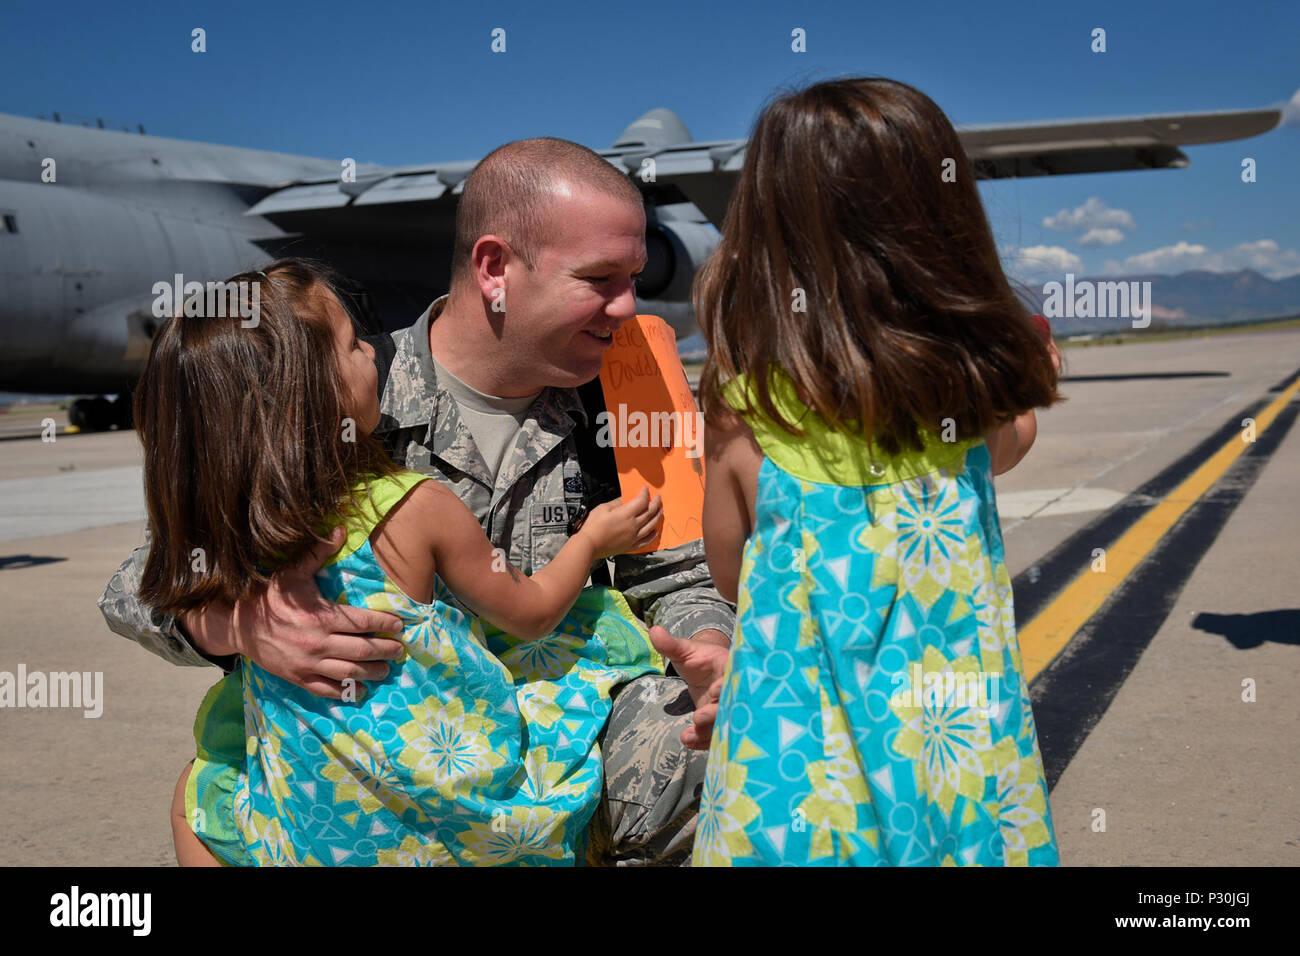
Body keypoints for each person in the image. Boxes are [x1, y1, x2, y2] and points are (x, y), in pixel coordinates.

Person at [100, 138, 736, 865]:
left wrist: (710, 653)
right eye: (600, 279)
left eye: (635, 276)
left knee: (721, 752)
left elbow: (679, 576)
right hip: (384, 763)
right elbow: (141, 582)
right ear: (494, 268)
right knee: (210, 789)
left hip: (566, 734)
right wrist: (239, 622)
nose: (630, 306)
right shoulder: (339, 394)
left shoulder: (631, 394)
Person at [140, 260, 667, 865]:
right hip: (443, 818)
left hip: (315, 828)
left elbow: (160, 589)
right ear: (314, 393)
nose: (373, 352)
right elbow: (531, 614)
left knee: (195, 794)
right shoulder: (416, 506)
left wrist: (235, 626)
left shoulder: (233, 531)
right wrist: (593, 541)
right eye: (353, 345)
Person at [689, 77, 1065, 866]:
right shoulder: (976, 420)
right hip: (959, 775)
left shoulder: (747, 412)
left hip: (796, 792)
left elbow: (730, 576)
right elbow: (1017, 431)